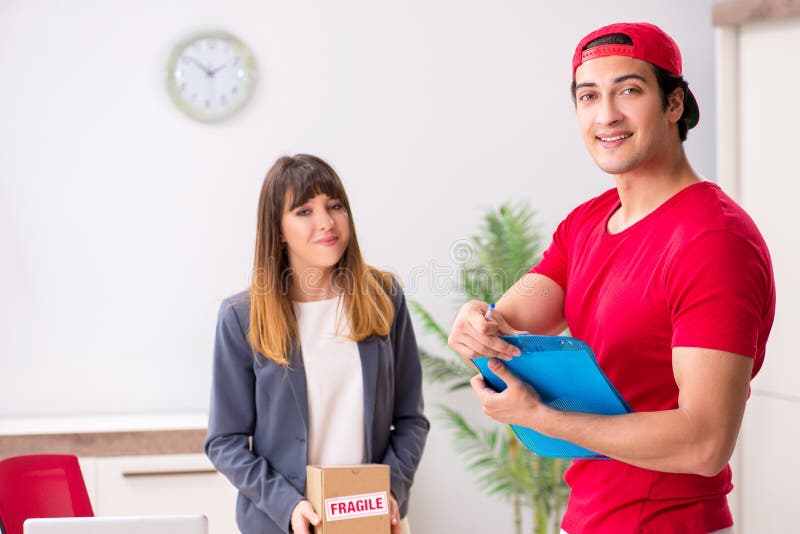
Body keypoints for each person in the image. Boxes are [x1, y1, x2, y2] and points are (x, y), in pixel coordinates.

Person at [448, 22, 775, 534]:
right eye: (588, 95)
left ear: (673, 104)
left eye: (628, 90)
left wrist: (541, 418)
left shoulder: (713, 241)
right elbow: (507, 321)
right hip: (587, 518)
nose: (607, 115)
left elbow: (705, 443)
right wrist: (474, 321)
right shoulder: (586, 224)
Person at [205, 154, 429, 534]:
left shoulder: (384, 297)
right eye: (304, 211)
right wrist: (288, 505)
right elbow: (224, 441)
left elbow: (410, 420)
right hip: (284, 524)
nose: (326, 222)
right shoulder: (241, 316)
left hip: (372, 522)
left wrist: (390, 490)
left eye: (335, 206)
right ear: (277, 229)